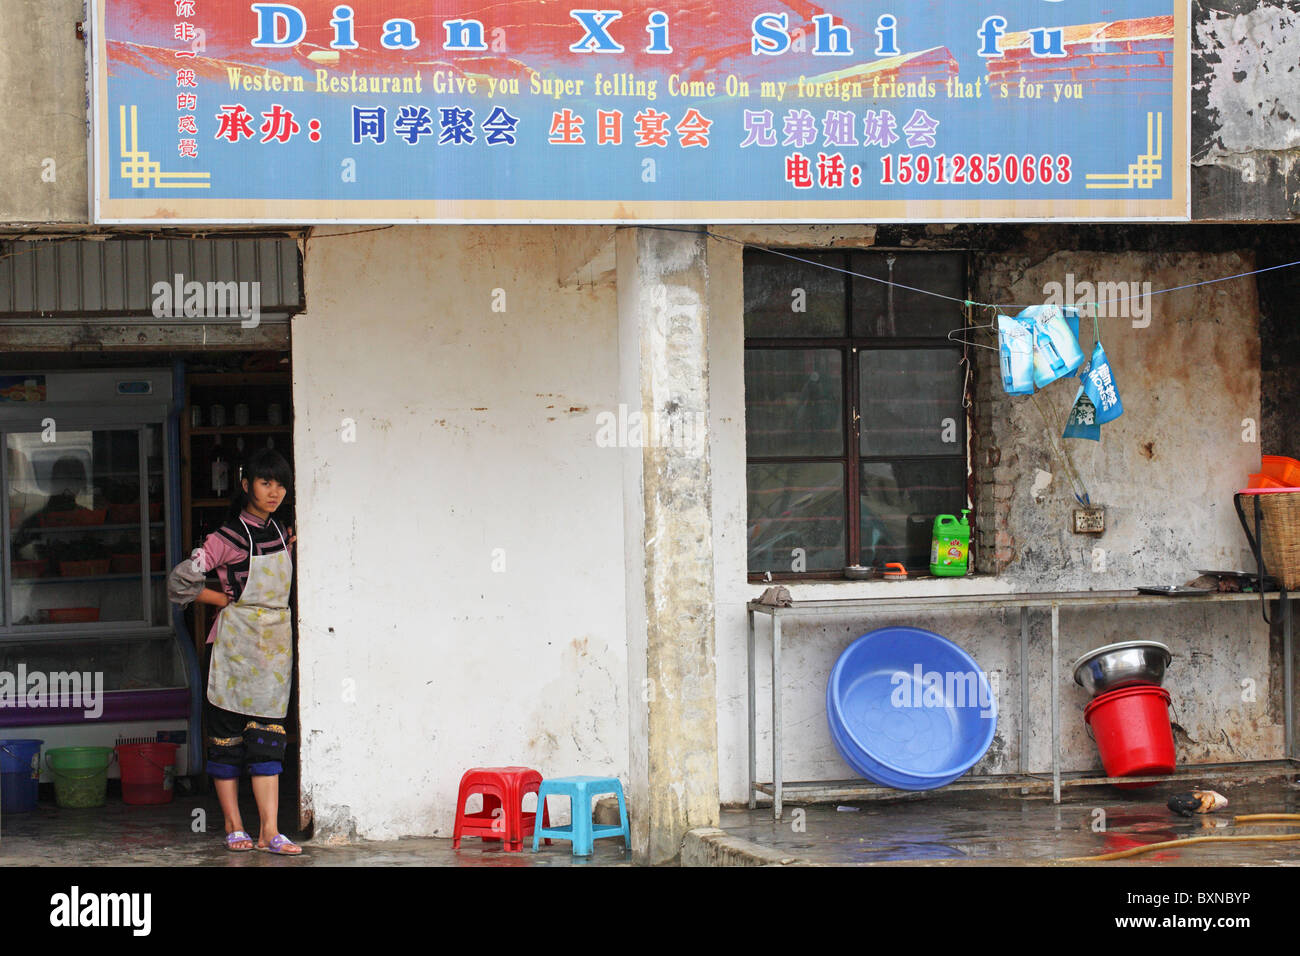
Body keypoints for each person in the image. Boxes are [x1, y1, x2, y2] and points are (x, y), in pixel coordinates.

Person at [168, 447, 301, 854]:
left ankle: (270, 832)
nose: (273, 491)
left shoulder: (284, 533)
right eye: (265, 483)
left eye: (280, 484)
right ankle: (233, 824)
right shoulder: (226, 537)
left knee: (267, 741)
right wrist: (223, 600)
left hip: (273, 653)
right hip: (232, 652)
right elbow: (178, 584)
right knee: (228, 743)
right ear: (246, 486)